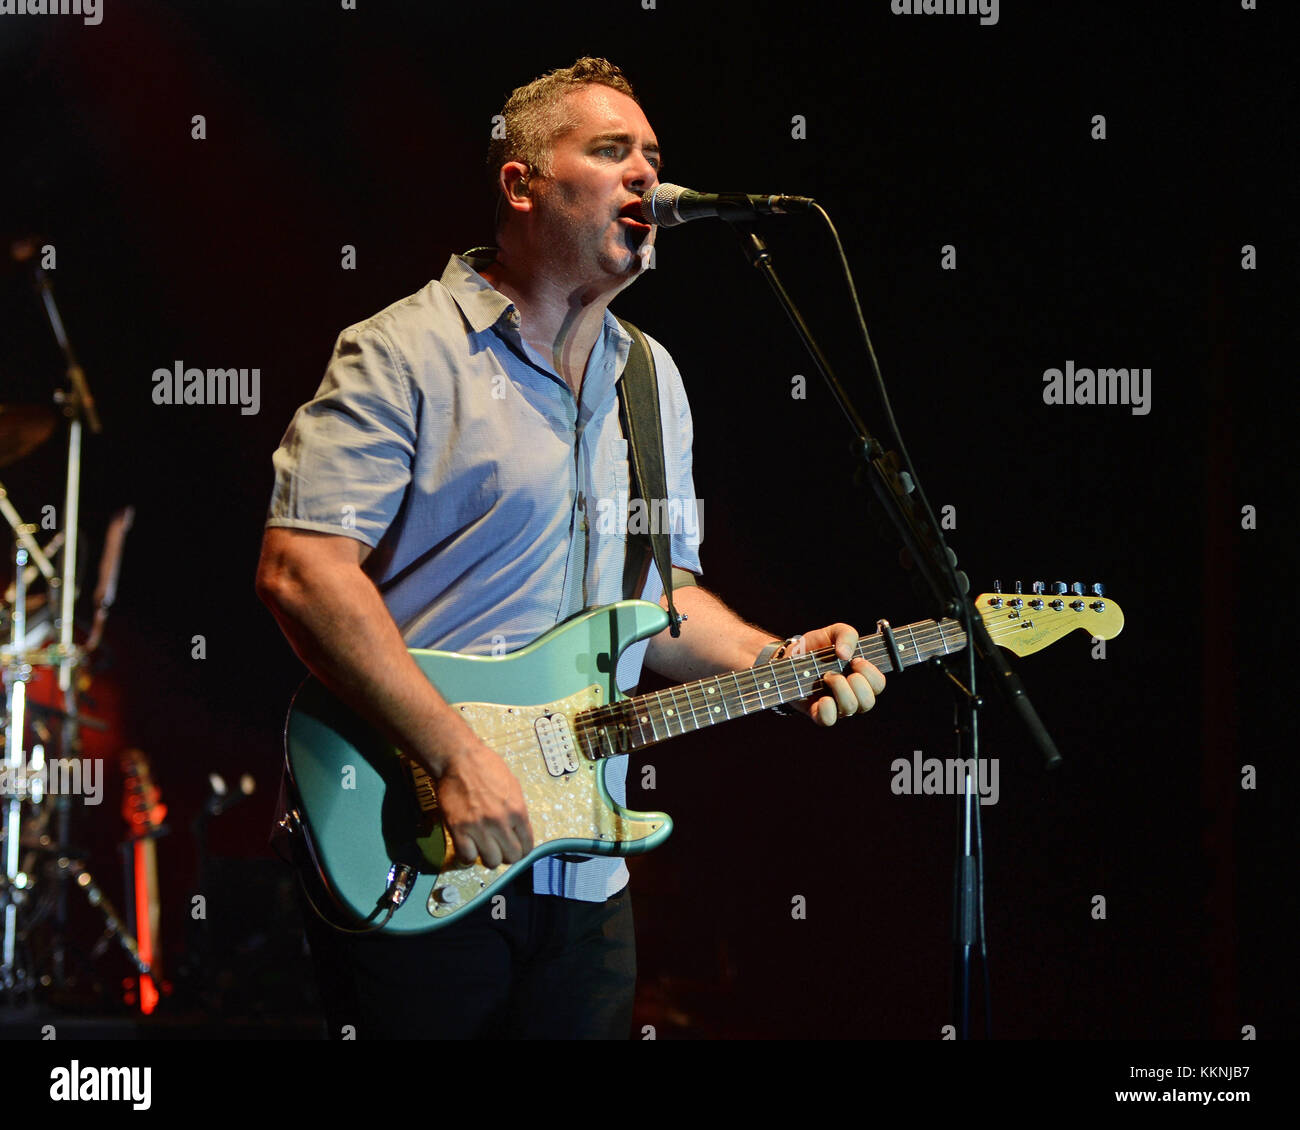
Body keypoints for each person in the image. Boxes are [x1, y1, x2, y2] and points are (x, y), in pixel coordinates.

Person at [255, 57, 886, 1039]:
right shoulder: (403, 351)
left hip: (587, 865)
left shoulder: (652, 378)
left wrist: (775, 659)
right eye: (610, 152)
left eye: (653, 156)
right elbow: (302, 568)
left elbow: (662, 596)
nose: (646, 175)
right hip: (419, 834)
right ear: (522, 184)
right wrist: (453, 751)